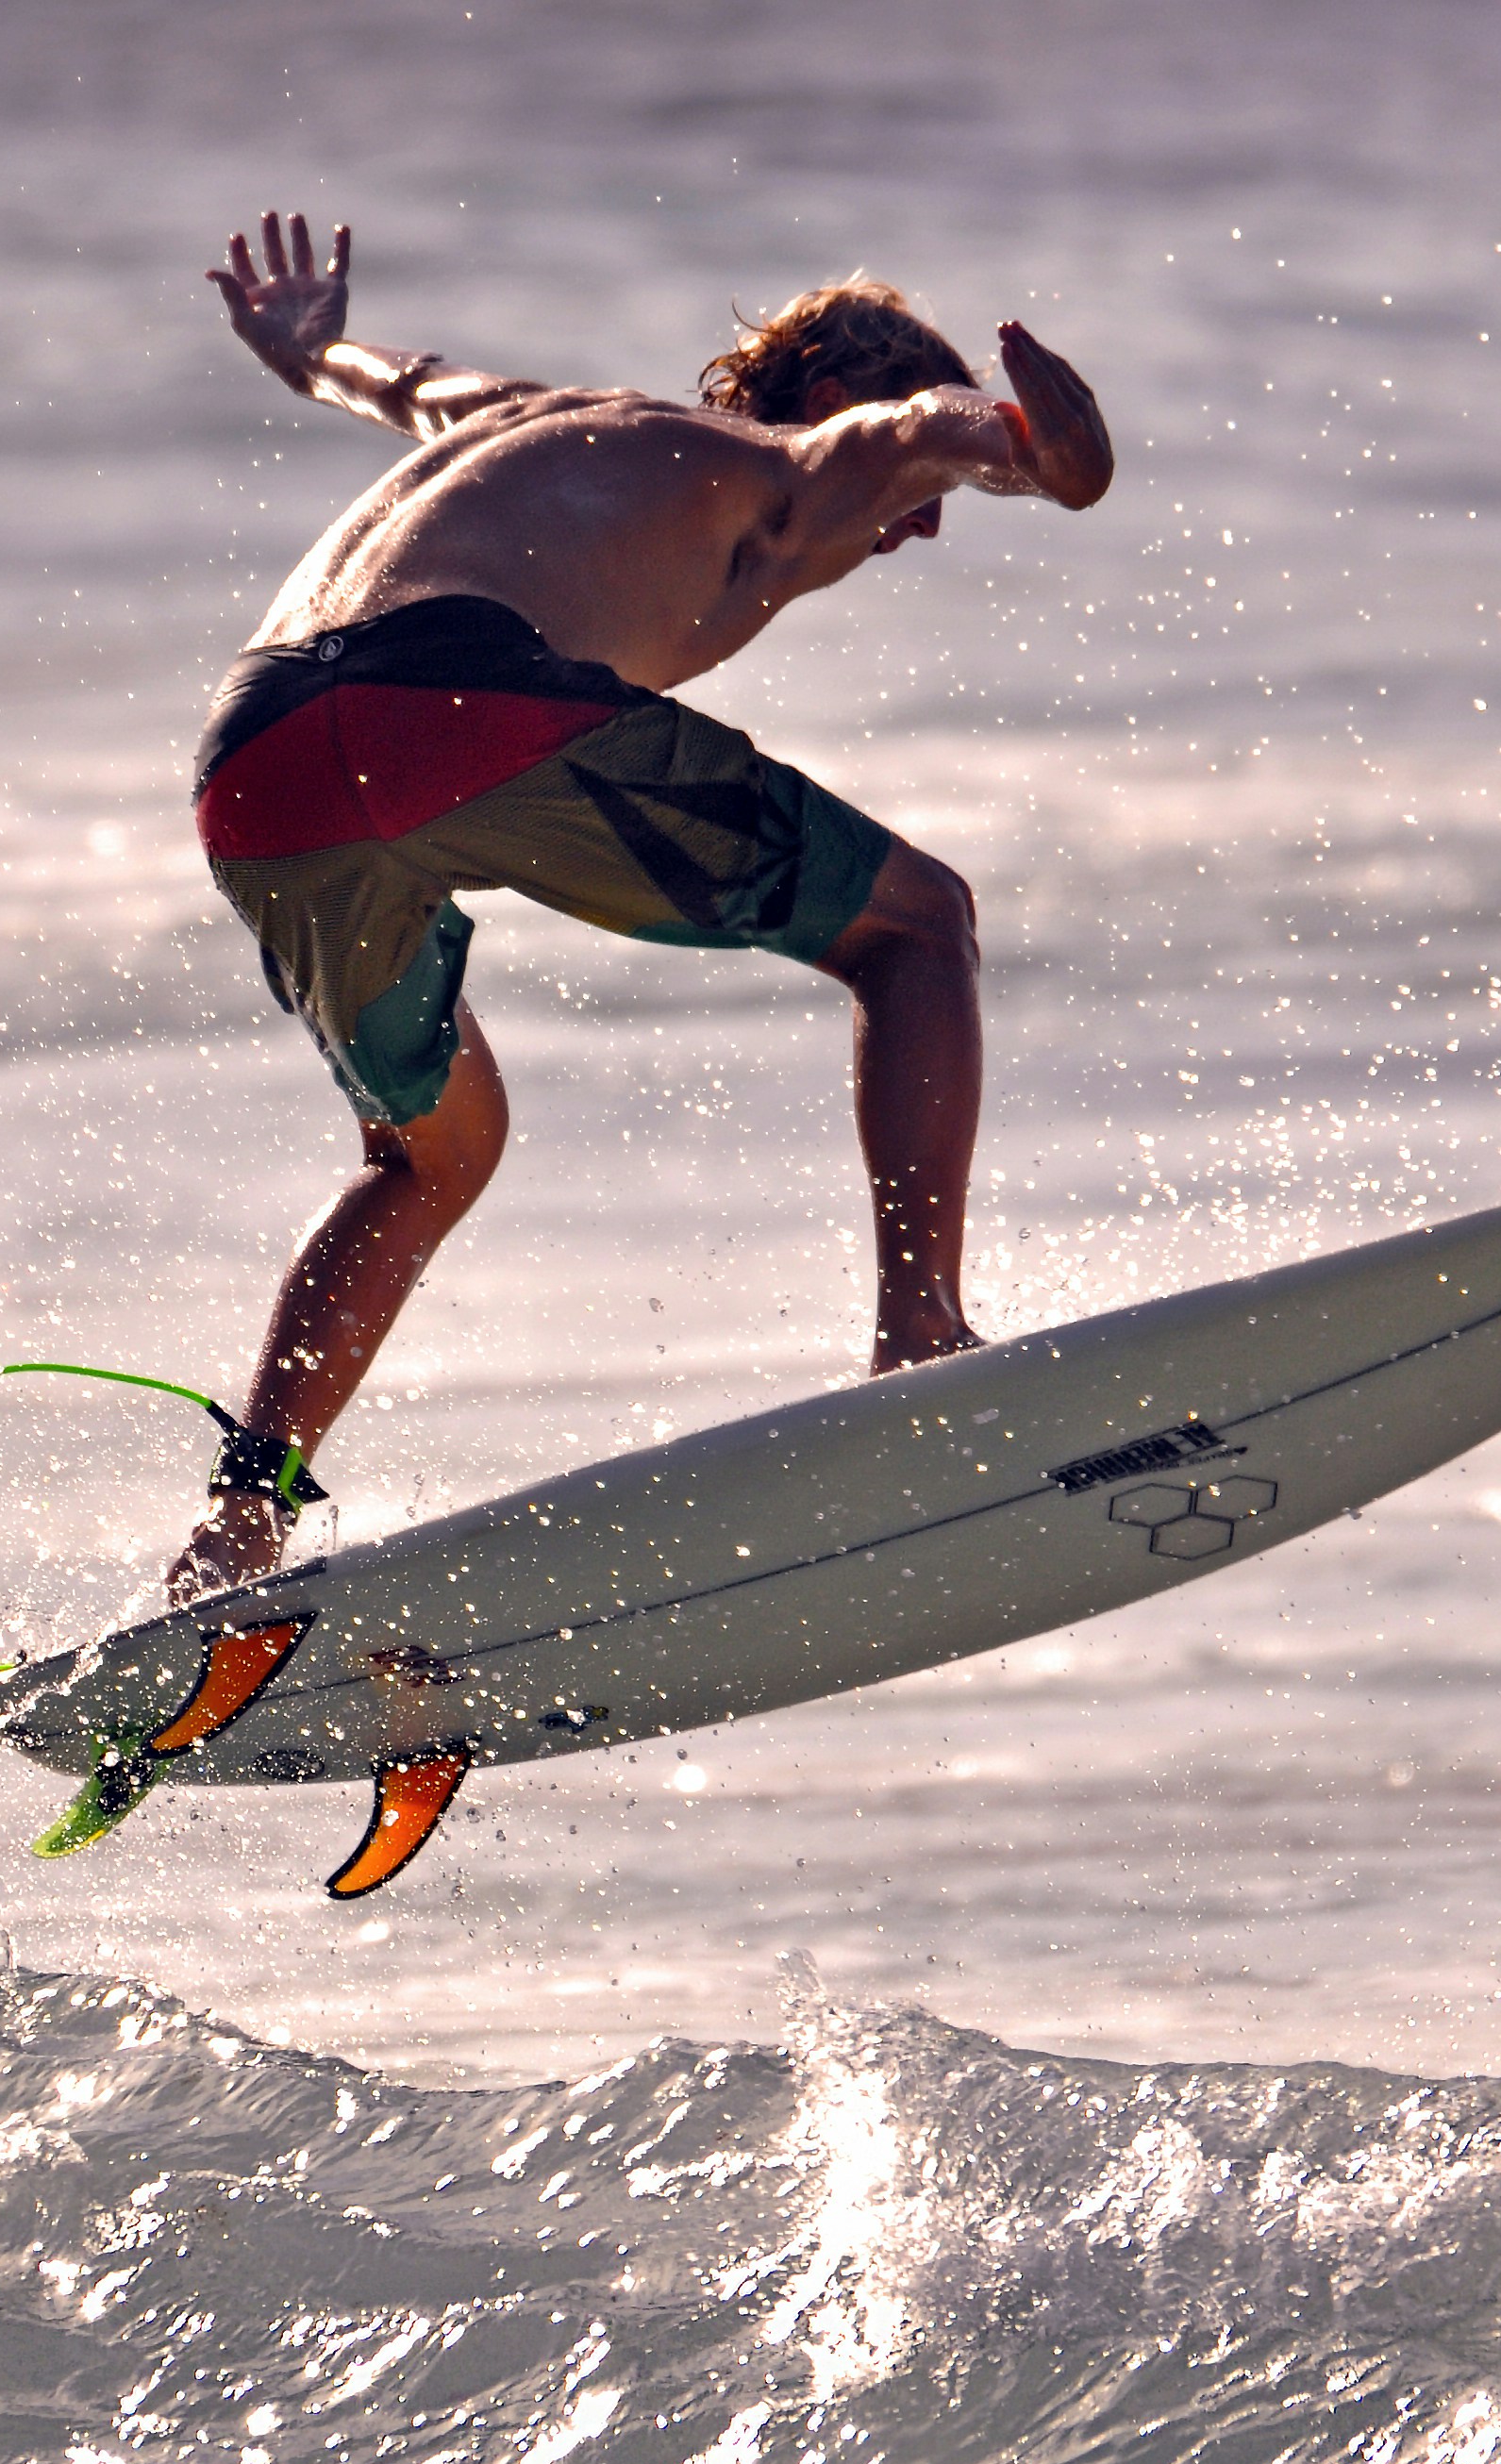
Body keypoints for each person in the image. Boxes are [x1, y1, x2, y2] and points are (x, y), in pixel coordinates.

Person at [171, 210, 1112, 1603]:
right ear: (832, 393)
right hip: (449, 704)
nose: (917, 528)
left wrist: (312, 351)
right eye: (930, 503)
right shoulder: (801, 457)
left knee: (427, 1155)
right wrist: (1049, 450)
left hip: (255, 765)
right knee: (916, 928)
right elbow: (989, 447)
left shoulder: (536, 422)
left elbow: (401, 382)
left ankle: (237, 1527)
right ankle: (923, 1338)